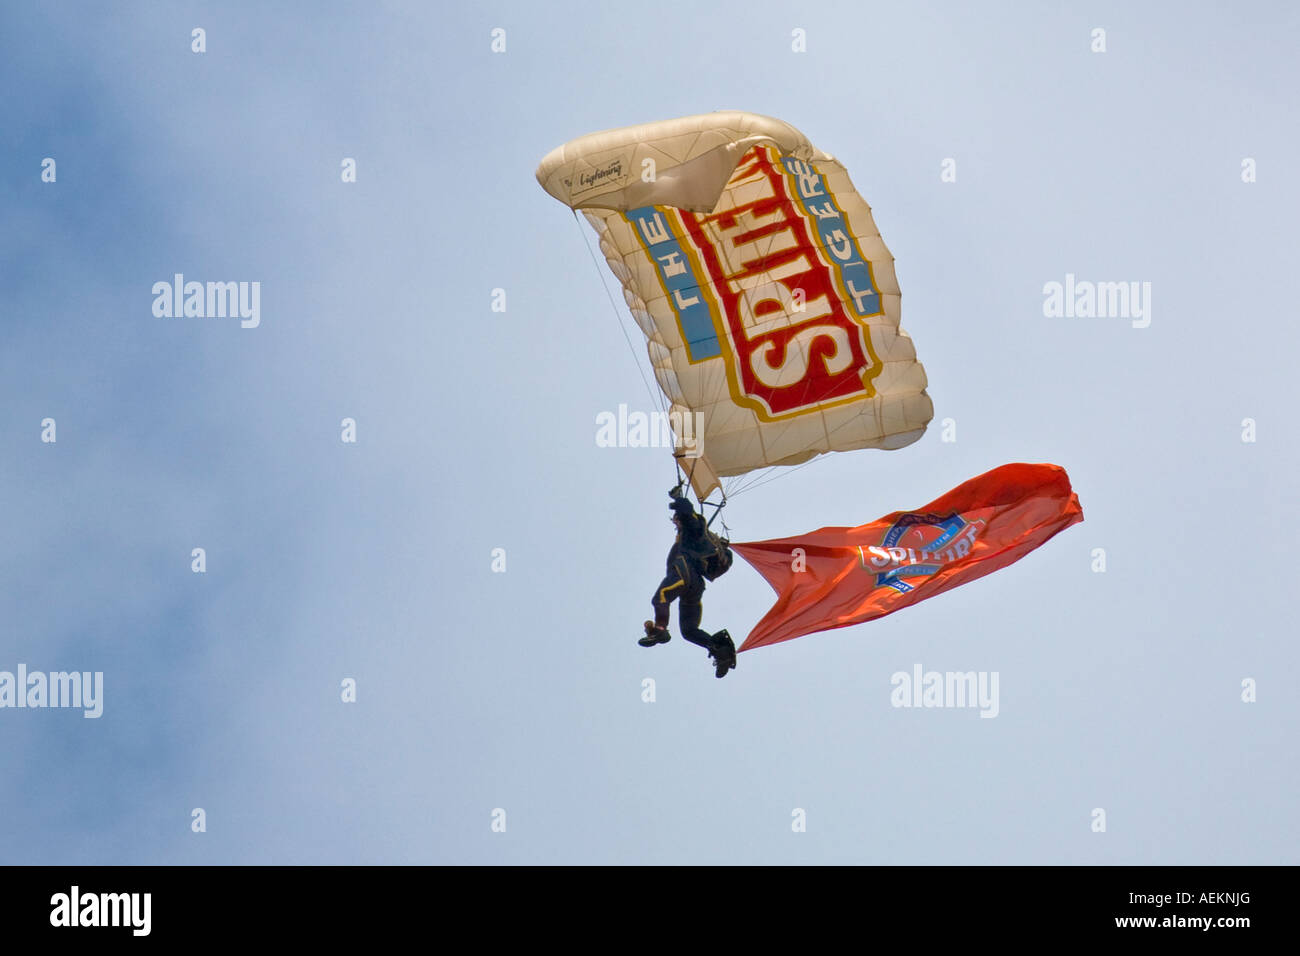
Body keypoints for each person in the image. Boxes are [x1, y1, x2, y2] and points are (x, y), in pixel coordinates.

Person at [640, 487, 736, 678]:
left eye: (676, 521)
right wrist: (681, 505)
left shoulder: (693, 533)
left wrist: (681, 501)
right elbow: (690, 519)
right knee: (689, 630)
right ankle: (720, 650)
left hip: (684, 573)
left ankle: (660, 630)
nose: (675, 524)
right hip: (695, 587)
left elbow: (692, 519)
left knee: (661, 597)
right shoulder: (699, 540)